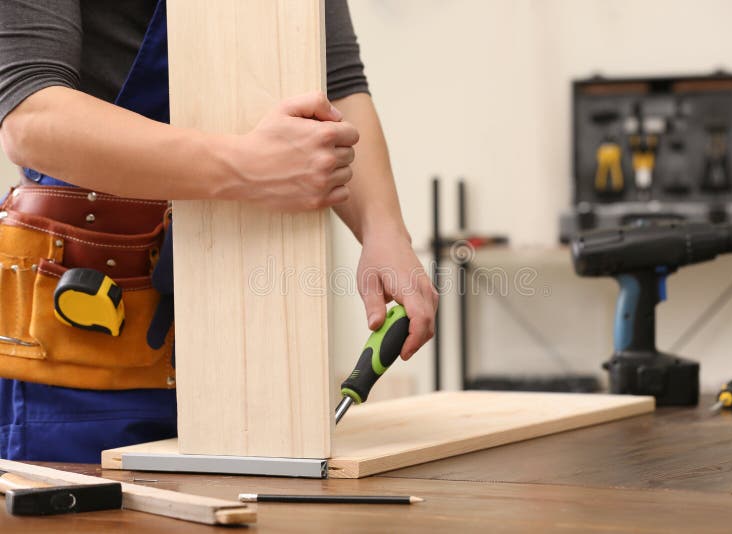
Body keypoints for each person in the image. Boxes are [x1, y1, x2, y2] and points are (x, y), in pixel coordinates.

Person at [0, 0, 437, 462]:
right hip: (92, 345)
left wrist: (384, 230)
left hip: (255, 328)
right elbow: (32, 117)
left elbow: (339, 84)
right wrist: (247, 166)